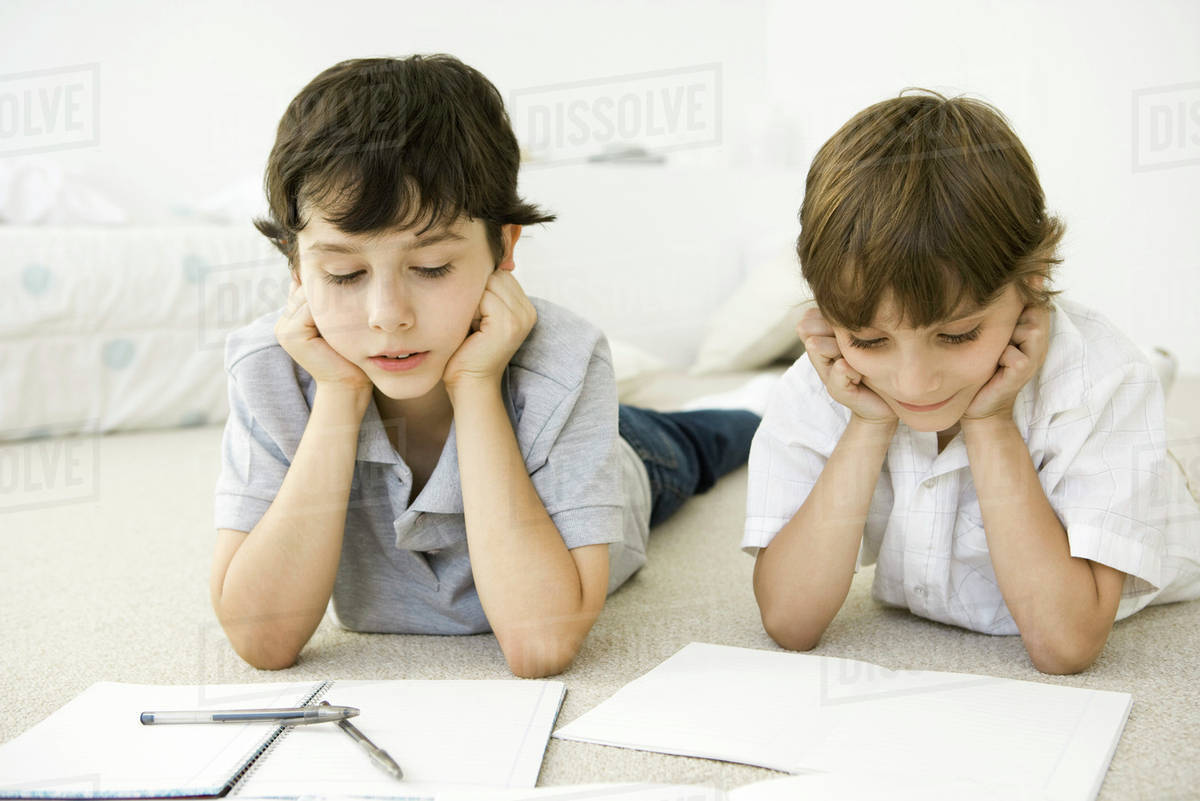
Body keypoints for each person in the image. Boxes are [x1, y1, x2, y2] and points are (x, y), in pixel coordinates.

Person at [209, 54, 760, 678]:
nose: (387, 316)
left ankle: (749, 402)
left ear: (504, 248)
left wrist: (475, 384)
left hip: (634, 456)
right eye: (343, 274)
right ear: (296, 268)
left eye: (432, 268)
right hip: (533, 416)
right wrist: (338, 392)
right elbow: (263, 642)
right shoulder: (270, 368)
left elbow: (540, 646)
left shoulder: (564, 361)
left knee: (717, 435)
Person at [744, 89, 1200, 675]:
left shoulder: (1106, 379)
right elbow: (789, 619)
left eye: (956, 336)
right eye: (871, 340)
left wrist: (990, 423)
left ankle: (1165, 385)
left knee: (1169, 436)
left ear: (1032, 284)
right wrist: (866, 424)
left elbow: (1066, 645)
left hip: (1177, 500)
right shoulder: (826, 382)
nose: (913, 381)